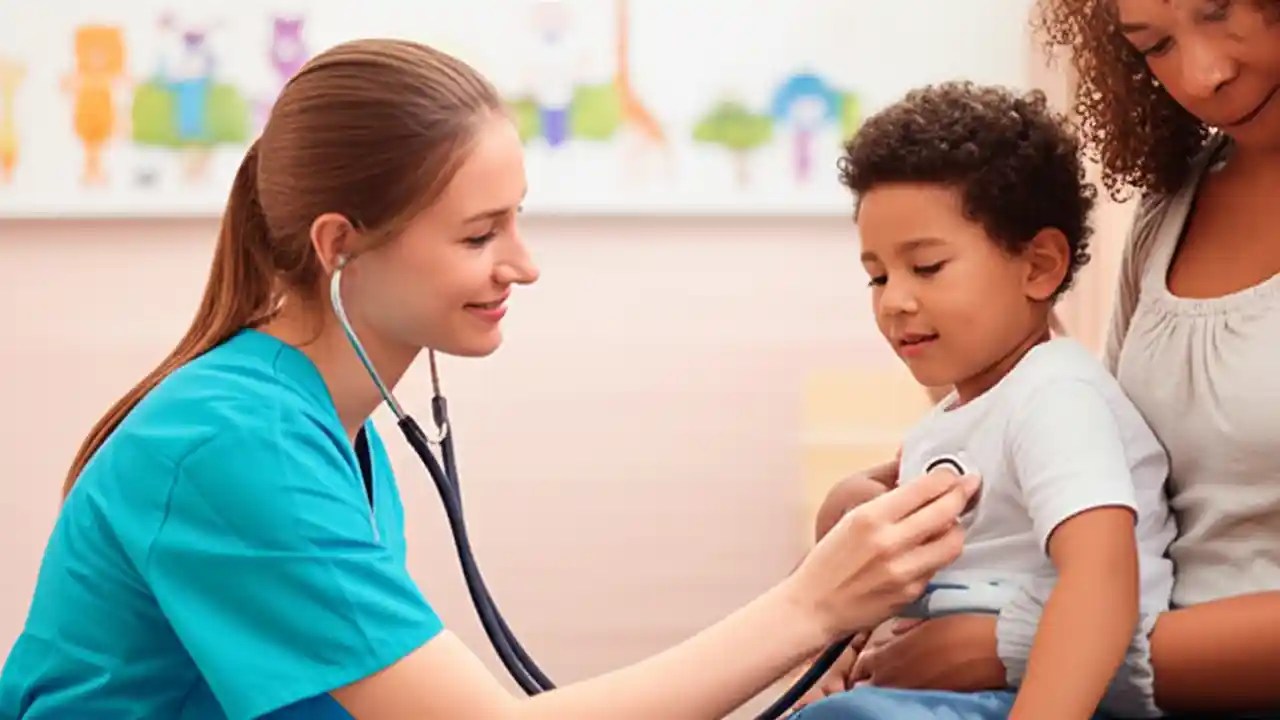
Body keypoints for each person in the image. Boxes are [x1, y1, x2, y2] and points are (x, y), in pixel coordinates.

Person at [0, 39, 979, 720]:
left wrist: (812, 636)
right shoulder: (233, 445)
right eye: (479, 234)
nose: (523, 263)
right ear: (340, 246)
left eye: (515, 219)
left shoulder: (333, 434)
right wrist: (809, 605)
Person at [815, 0, 1280, 716]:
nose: (1204, 75)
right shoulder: (1172, 207)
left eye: (1221, 13)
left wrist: (1017, 642)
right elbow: (1125, 445)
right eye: (1153, 46)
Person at [787, 81, 1176, 720]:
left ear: (1039, 266)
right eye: (878, 276)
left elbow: (1102, 581)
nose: (894, 301)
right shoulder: (949, 424)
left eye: (928, 267)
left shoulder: (1055, 398)